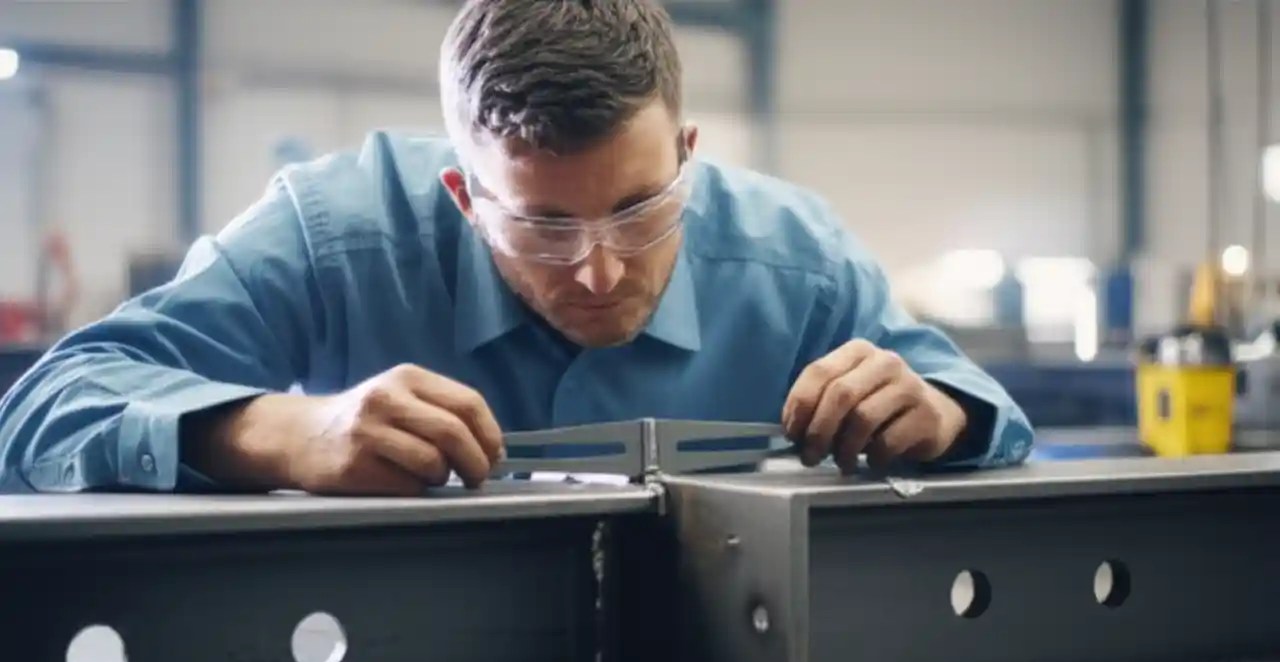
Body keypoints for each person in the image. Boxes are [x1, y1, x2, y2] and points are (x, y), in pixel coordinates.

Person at [0, 0, 1033, 496]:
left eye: (638, 208)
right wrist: (281, 433)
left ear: (686, 153)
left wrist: (938, 412)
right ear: (462, 192)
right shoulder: (333, 233)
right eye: (541, 225)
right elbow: (44, 406)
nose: (599, 269)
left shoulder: (795, 257)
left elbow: (978, 410)